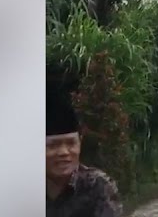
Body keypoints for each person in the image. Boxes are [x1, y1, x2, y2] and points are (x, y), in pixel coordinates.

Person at [46, 87, 122, 217]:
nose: (64, 152)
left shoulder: (97, 186)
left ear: (80, 142)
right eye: (53, 145)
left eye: (71, 143)